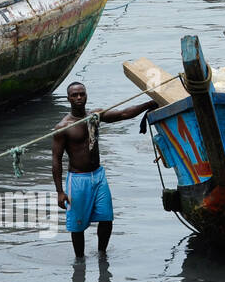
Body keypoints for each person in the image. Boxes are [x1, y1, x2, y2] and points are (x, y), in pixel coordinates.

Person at [52, 82, 156, 258]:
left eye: (82, 94)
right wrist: (60, 192)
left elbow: (123, 114)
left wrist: (149, 104)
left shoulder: (95, 116)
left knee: (107, 218)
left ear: (86, 96)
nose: (79, 98)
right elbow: (56, 160)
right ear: (68, 98)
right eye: (74, 95)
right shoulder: (64, 127)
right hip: (78, 179)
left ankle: (102, 255)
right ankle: (79, 261)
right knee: (78, 225)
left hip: (98, 175)